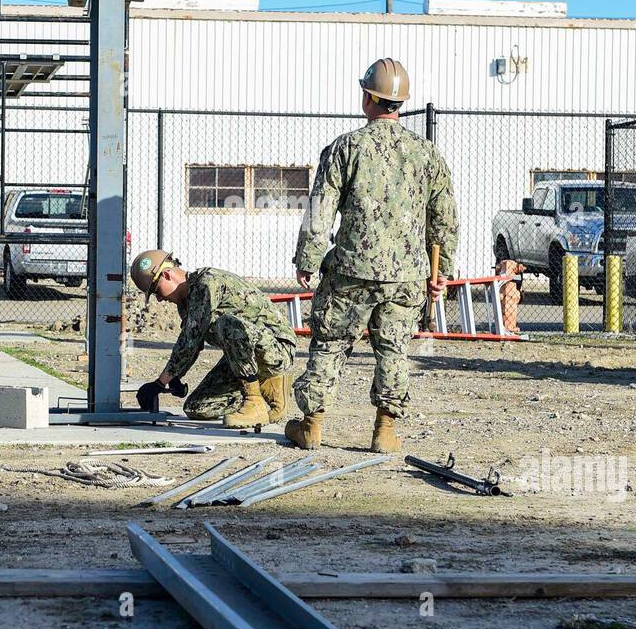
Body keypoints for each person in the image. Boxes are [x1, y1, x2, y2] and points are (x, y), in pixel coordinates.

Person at [289, 58, 458, 453]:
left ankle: (312, 425)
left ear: (368, 97)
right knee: (394, 349)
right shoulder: (427, 154)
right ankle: (385, 430)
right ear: (399, 103)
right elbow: (444, 219)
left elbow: (320, 210)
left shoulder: (345, 148)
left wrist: (308, 259)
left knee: (330, 343)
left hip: (351, 270)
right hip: (408, 276)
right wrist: (442, 271)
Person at [131, 249, 296, 427]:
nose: (160, 299)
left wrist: (159, 383)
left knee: (228, 324)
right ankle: (266, 383)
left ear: (166, 275)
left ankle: (254, 402)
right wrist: (174, 377)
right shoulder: (185, 303)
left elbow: (191, 339)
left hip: (277, 350)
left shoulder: (207, 283)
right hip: (242, 359)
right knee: (197, 408)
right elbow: (191, 344)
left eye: (156, 291)